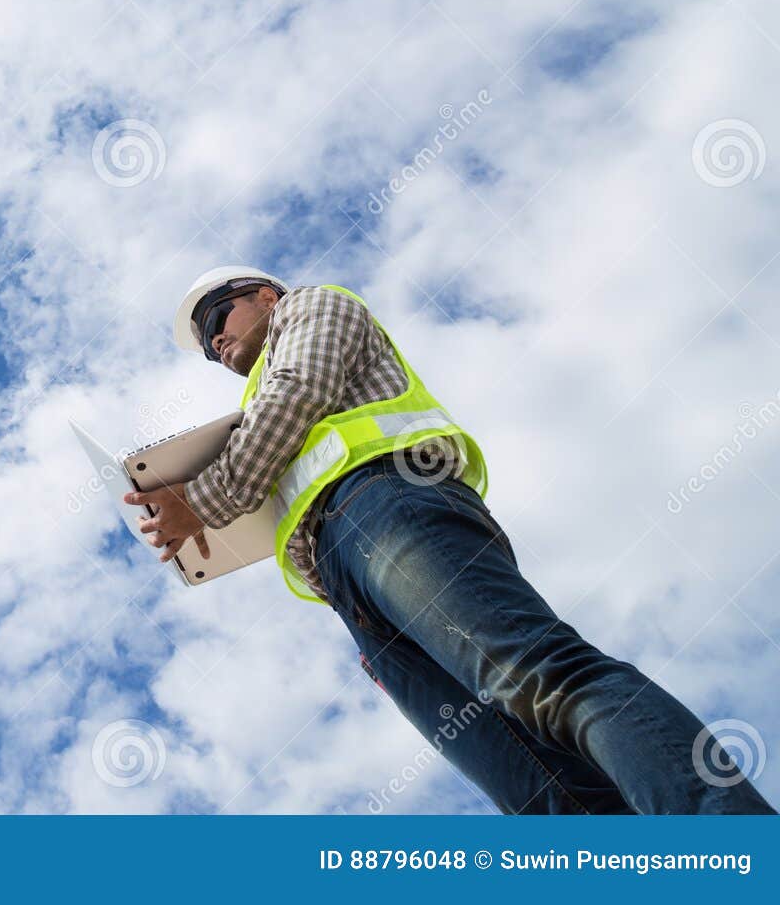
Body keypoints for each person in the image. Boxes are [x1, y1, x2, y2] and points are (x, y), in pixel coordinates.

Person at [123, 267, 775, 814]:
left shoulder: (313, 308)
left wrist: (200, 501)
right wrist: (369, 618)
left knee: (545, 681)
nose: (215, 342)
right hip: (359, 582)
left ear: (266, 294)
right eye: (208, 345)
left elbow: (300, 391)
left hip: (388, 504)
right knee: (536, 792)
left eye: (218, 316)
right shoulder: (255, 414)